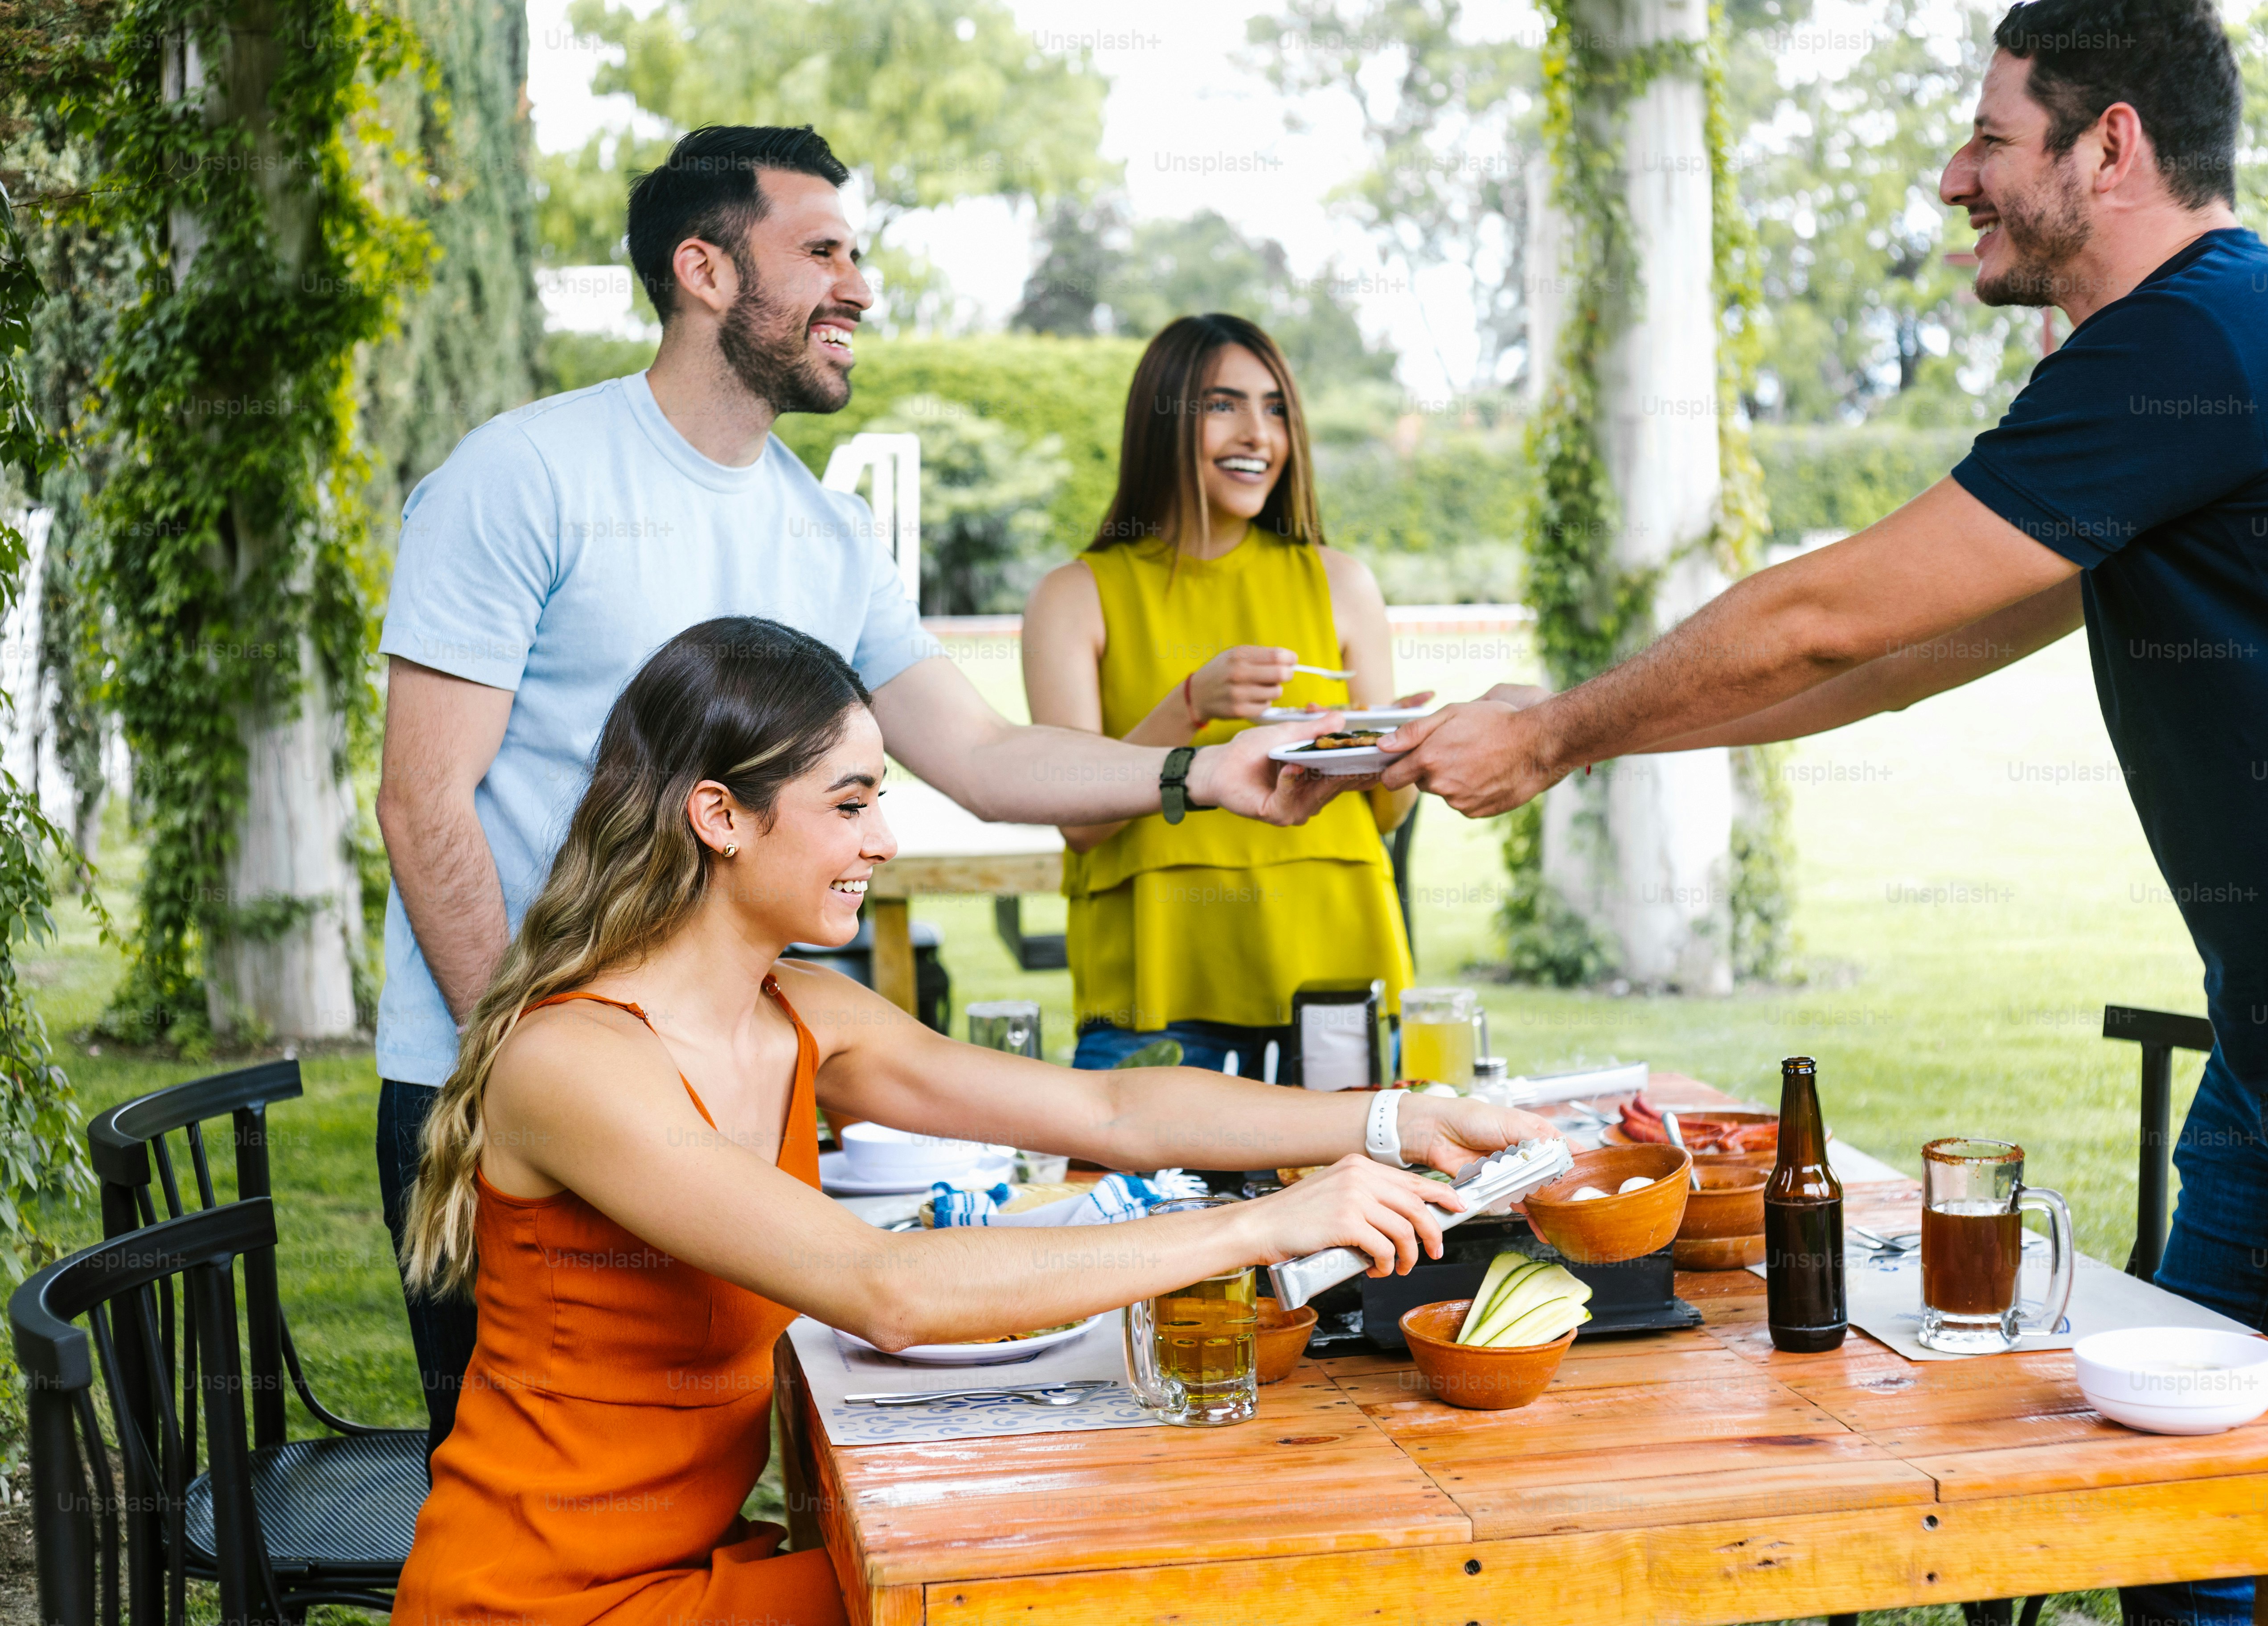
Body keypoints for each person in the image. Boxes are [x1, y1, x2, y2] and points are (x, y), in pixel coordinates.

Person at [1382, 0, 2268, 1620]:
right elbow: (1900, 658)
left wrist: (1552, 736)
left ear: (2113, 145)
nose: (1956, 174)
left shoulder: (2201, 342)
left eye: (1992, 136)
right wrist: (1570, 741)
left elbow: (1827, 614)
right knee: (2177, 1533)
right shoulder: (2192, 357)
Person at [374, 127, 1358, 1450]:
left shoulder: (822, 529)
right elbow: (425, 803)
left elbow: (985, 755)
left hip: (723, 1087)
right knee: (538, 1472)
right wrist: (534, 1066)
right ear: (704, 270)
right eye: (821, 252)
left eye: (860, 254)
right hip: (507, 1082)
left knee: (729, 1457)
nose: (861, 287)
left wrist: (1193, 772)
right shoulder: (525, 477)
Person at [390, 616, 1545, 1626]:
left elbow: (1109, 1107)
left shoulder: (803, 1014)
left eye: (880, 798)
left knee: (1088, 1562)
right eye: (849, 804)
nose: (884, 840)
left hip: (696, 1571)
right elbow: (891, 1292)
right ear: (719, 817)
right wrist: (1265, 1228)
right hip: (540, 1606)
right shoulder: (573, 1064)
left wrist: (1387, 1120)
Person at [1022, 314, 1419, 1080]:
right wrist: (1192, 702)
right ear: (1161, 421)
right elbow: (1077, 821)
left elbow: (1388, 815)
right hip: (1156, 993)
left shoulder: (1342, 584)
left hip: (1336, 979)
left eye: (1276, 410)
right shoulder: (1076, 597)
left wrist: (1377, 745)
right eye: (1223, 405)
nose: (1258, 435)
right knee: (1142, 1206)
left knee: (1357, 1200)